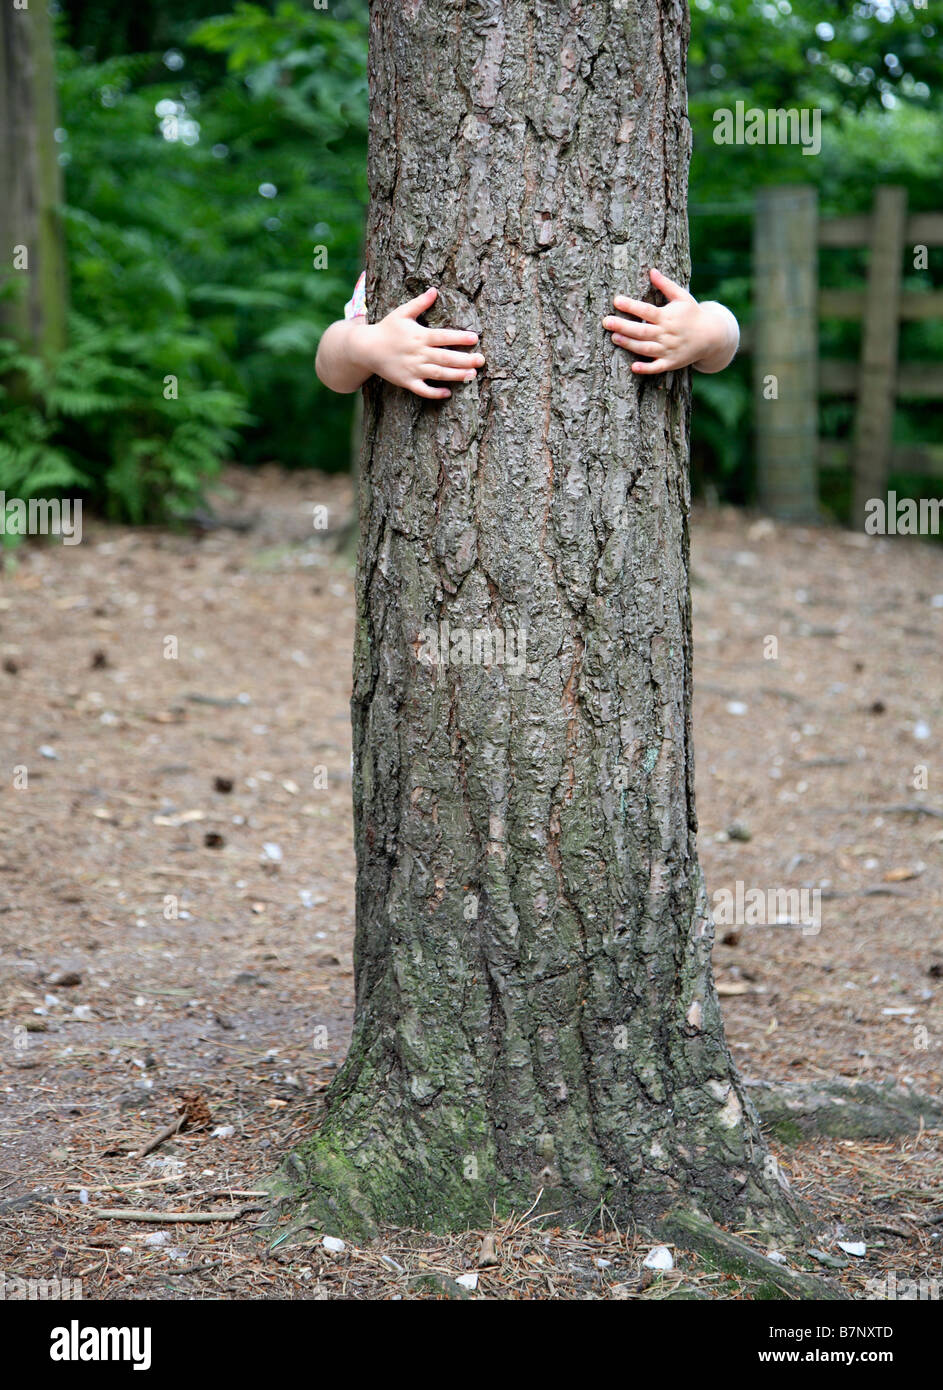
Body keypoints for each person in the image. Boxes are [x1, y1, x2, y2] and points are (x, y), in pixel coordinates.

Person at [314, 266, 739, 399]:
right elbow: (331, 369)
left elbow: (721, 347)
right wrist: (365, 344)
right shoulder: (389, 273)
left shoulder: (662, 293)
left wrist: (707, 331)